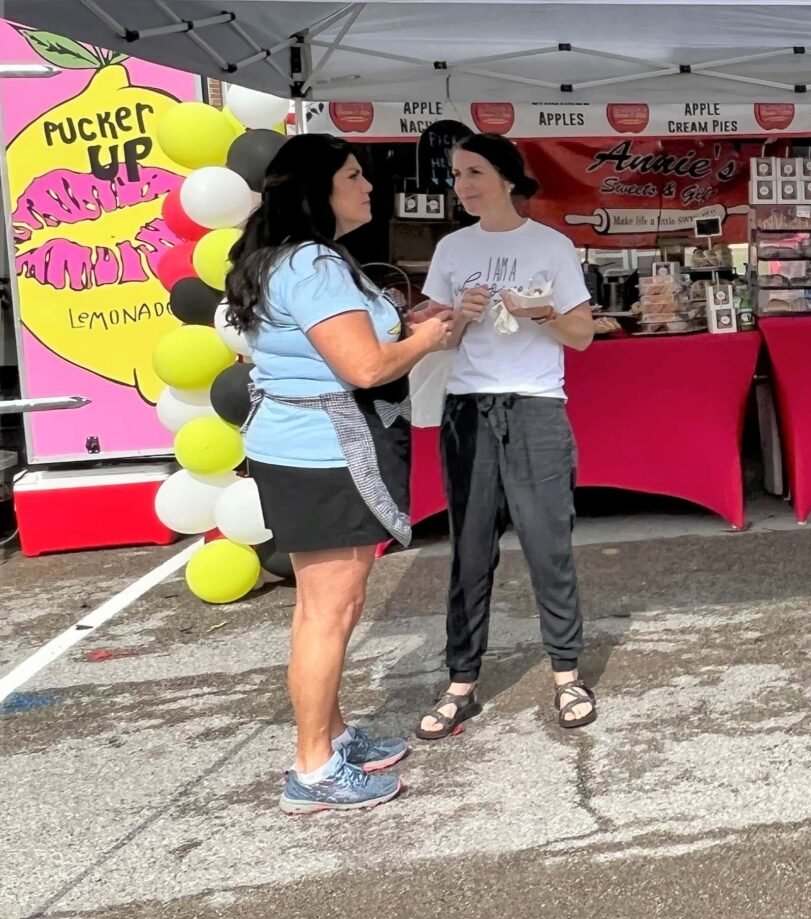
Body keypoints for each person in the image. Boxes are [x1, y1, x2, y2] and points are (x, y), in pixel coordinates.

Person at [225, 135, 453, 815]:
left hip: (300, 444)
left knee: (324, 608)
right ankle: (313, 768)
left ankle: (329, 733)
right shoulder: (317, 264)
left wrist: (406, 324)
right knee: (330, 610)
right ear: (316, 189)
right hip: (324, 449)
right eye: (354, 175)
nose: (368, 186)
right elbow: (364, 368)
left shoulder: (287, 258)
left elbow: (341, 345)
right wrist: (428, 340)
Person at [413, 135, 598, 741]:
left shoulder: (552, 246)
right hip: (468, 408)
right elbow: (435, 341)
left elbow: (583, 336)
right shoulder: (450, 247)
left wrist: (541, 312)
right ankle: (460, 682)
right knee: (468, 550)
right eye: (456, 174)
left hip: (537, 408)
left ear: (508, 178)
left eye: (474, 172)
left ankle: (567, 672)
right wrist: (457, 317)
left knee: (549, 544)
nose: (462, 184)